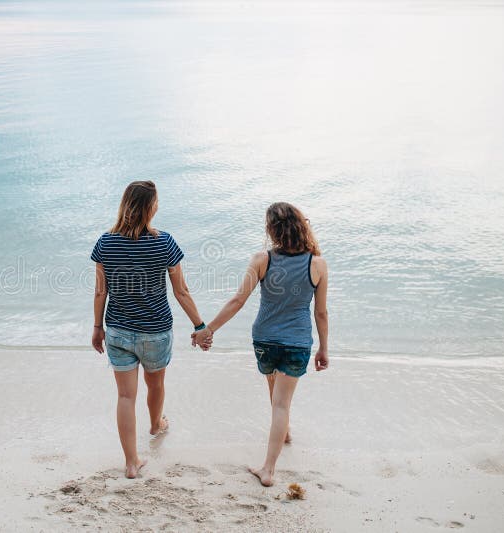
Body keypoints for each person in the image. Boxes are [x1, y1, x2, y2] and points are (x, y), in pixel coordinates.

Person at [192, 202, 329, 487]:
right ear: (301, 226)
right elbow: (321, 313)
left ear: (271, 230)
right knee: (282, 403)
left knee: (273, 386)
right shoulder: (317, 264)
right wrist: (323, 348)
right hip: (297, 343)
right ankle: (268, 469)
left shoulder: (261, 260)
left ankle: (285, 432)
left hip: (265, 340)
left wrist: (209, 330)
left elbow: (237, 301)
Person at [91, 180, 209, 479]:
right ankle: (156, 425)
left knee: (125, 397)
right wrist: (200, 325)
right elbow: (181, 291)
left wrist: (96, 328)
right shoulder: (164, 242)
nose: (158, 206)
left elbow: (100, 293)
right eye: (156, 202)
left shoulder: (105, 243)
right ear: (149, 208)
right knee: (155, 385)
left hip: (117, 330)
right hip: (155, 331)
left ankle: (132, 463)